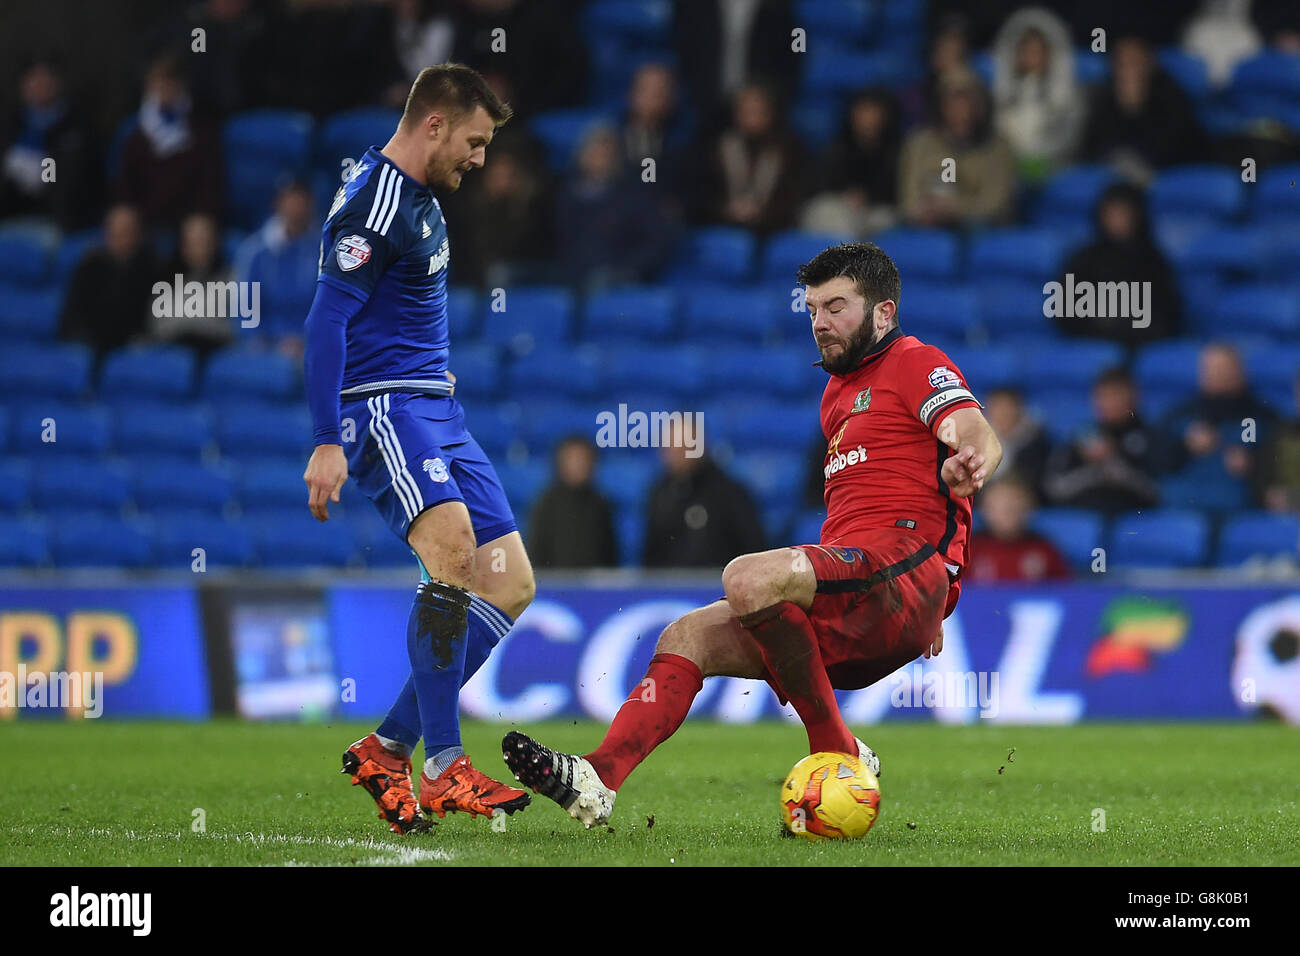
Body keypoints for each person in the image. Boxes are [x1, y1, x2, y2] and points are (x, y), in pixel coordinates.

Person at [503, 242, 1002, 827]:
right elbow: (853, 511)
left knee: (747, 576)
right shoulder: (835, 395)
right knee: (686, 634)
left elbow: (974, 429)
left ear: (884, 313)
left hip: (902, 578)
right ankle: (598, 777)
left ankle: (836, 749)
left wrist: (972, 462)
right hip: (863, 590)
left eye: (837, 306)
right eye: (813, 309)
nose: (820, 323)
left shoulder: (915, 361)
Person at [301, 65, 533, 834]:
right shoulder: (376, 202)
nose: (480, 158)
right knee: (455, 553)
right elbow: (325, 322)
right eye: (474, 142)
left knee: (510, 583)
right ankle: (443, 764)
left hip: (436, 405)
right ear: (434, 124)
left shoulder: (424, 197)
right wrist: (327, 440)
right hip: (384, 411)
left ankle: (387, 747)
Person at [1055, 181, 1181, 346]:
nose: (1118, 220)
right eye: (1112, 213)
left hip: (1139, 346)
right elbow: (1063, 311)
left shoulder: (1153, 261)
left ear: (1138, 215)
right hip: (1090, 343)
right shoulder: (1084, 259)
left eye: (1124, 213)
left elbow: (1167, 313)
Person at [554, 123, 678, 289]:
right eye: (595, 152)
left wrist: (630, 269)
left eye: (607, 155)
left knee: (596, 283)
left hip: (612, 274)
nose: (600, 159)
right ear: (582, 156)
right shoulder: (563, 194)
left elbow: (659, 239)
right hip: (566, 273)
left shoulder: (635, 197)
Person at [114, 55, 223, 231]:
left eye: (169, 83)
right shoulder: (137, 134)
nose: (164, 90)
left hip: (189, 222)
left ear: (181, 86)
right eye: (158, 84)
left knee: (200, 230)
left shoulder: (201, 131)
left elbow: (210, 186)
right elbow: (125, 187)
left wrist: (200, 215)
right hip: (145, 223)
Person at [898, 68, 1016, 228]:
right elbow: (909, 199)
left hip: (980, 230)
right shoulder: (919, 144)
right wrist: (923, 211)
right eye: (953, 102)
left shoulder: (998, 147)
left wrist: (954, 208)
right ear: (941, 106)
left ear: (980, 107)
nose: (961, 111)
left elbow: (996, 204)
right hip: (927, 226)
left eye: (968, 103)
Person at [1043, 366, 1164, 514]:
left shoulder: (1152, 437)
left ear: (1134, 396)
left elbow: (1158, 492)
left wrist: (1113, 459)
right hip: (1083, 517)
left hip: (1134, 519)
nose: (1109, 402)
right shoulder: (1082, 436)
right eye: (1103, 396)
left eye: (1116, 395)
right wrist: (1092, 470)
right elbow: (1054, 488)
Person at [1080, 35, 1202, 178]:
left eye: (1134, 62)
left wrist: (1136, 108)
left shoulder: (1172, 95)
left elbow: (1178, 145)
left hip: (1165, 171)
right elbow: (1093, 146)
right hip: (1114, 173)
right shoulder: (1103, 95)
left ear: (1150, 63)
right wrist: (1126, 108)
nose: (1129, 70)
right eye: (1122, 63)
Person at [695, 81, 807, 235]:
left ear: (771, 113)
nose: (753, 120)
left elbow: (795, 196)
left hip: (772, 230)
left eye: (758, 112)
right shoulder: (718, 148)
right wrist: (726, 209)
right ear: (736, 114)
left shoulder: (789, 150)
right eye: (746, 112)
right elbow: (703, 193)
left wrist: (762, 213)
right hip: (724, 224)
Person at [990, 7, 1083, 180]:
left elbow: (1068, 136)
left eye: (1037, 51)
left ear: (1049, 55)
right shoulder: (1002, 94)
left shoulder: (1065, 96)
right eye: (1026, 51)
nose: (1032, 58)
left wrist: (1043, 157)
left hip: (1054, 165)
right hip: (1009, 166)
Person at [641, 439, 765, 569]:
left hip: (720, 582)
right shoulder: (658, 494)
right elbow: (651, 553)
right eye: (672, 448)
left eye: (685, 447)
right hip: (668, 584)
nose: (679, 454)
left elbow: (752, 547)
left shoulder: (729, 493)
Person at [58, 203, 158, 360]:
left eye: (125, 232)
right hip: (89, 343)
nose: (119, 238)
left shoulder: (152, 270)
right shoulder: (89, 267)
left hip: (132, 346)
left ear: (138, 234)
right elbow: (71, 315)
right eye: (114, 231)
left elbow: (151, 321)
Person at [232, 179, 320, 354]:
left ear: (310, 204)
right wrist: (263, 343)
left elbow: (330, 306)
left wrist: (306, 340)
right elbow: (245, 310)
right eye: (289, 199)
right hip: (266, 348)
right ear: (278, 203)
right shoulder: (254, 251)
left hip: (313, 345)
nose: (295, 207)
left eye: (300, 200)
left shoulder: (325, 248)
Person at [800, 88, 902, 237]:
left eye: (873, 112)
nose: (867, 118)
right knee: (826, 212)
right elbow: (818, 187)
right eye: (863, 111)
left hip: (879, 211)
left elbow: (900, 194)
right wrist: (845, 196)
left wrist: (869, 198)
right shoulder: (837, 148)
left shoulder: (897, 152)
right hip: (841, 208)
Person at [151, 212, 235, 357]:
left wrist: (188, 323)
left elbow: (236, 329)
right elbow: (157, 326)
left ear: (215, 243)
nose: (198, 248)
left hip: (217, 356)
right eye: (192, 242)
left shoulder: (231, 279)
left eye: (204, 241)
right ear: (183, 246)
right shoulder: (167, 279)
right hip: (173, 357)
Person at [528, 436, 619, 569]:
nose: (579, 464)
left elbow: (610, 555)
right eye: (573, 459)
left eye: (583, 459)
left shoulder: (601, 504)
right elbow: (535, 552)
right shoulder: (545, 504)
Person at [967, 476, 1070, 582]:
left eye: (1014, 505)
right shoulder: (969, 550)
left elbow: (1068, 592)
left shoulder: (1044, 550)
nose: (1008, 512)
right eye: (1001, 507)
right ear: (984, 510)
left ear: (1029, 508)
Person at [983, 386, 1051, 497]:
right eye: (997, 408)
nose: (1003, 414)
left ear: (1020, 409)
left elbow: (1040, 483)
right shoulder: (974, 442)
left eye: (1008, 408)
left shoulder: (1038, 443)